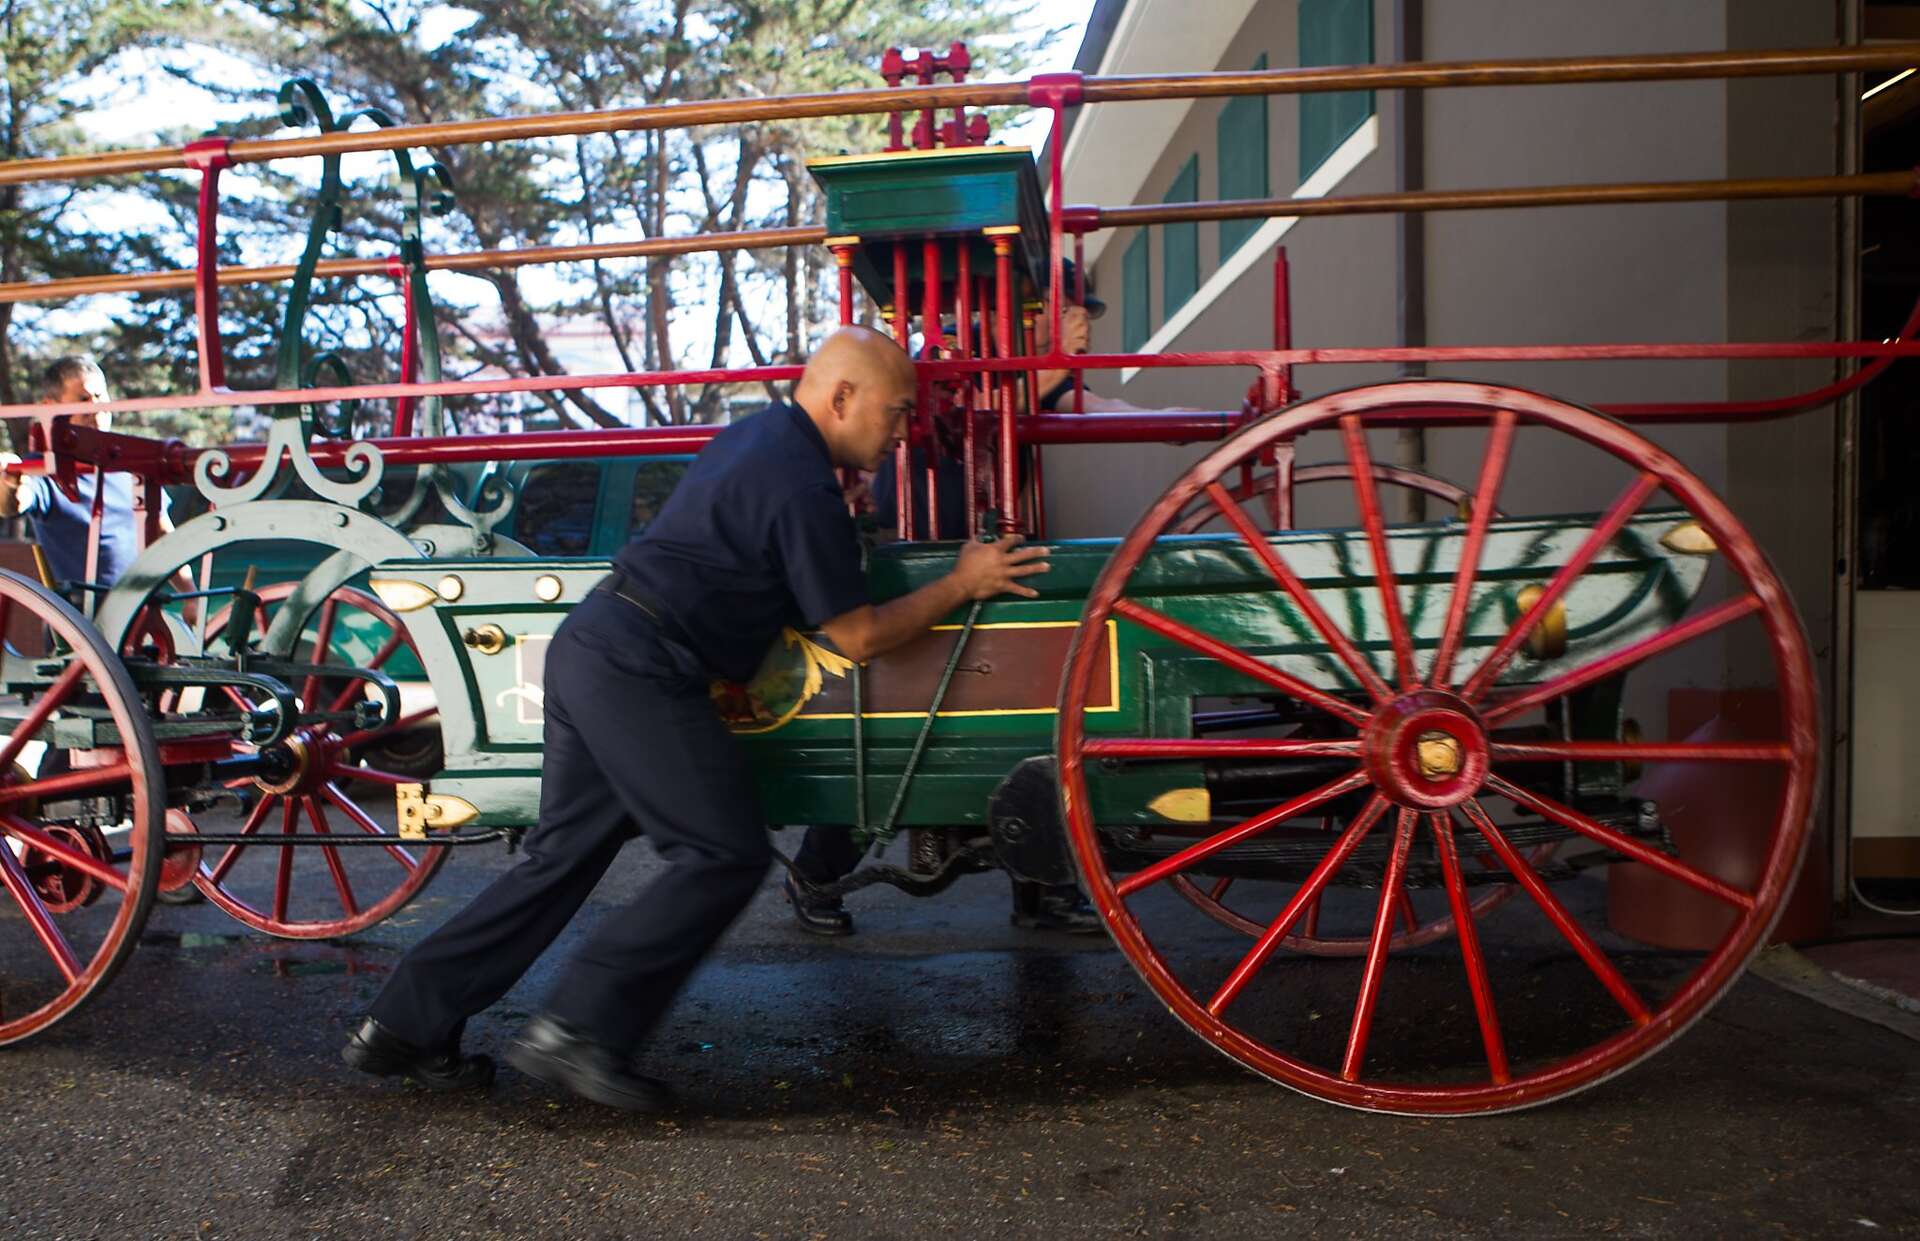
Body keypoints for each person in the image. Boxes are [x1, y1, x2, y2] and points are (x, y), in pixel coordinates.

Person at [343, 326, 1050, 1110]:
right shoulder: (801, 481)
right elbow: (856, 635)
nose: (903, 429)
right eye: (897, 409)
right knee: (722, 852)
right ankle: (579, 1029)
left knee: (560, 858)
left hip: (593, 644)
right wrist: (963, 581)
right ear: (842, 396)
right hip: (641, 666)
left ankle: (401, 1022)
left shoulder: (759, 438)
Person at [784, 265, 1126, 937]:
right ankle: (815, 872)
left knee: (1025, 712)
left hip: (982, 547)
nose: (1082, 322)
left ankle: (1044, 889)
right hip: (923, 552)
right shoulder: (950, 356)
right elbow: (965, 419)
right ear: (1021, 310)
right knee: (899, 724)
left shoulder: (1034, 373)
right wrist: (1052, 375)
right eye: (1067, 309)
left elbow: (1099, 408)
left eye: (1083, 311)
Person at [0, 355, 192, 600]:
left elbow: (162, 536)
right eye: (83, 399)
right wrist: (11, 479)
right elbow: (12, 504)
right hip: (82, 617)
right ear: (50, 407)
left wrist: (191, 595)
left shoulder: (130, 461)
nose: (96, 408)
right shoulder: (45, 468)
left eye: (100, 397)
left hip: (140, 613)